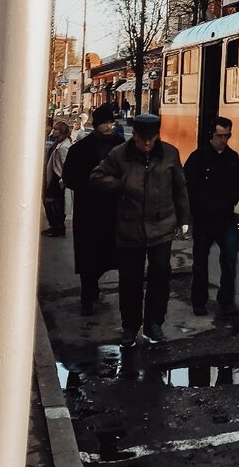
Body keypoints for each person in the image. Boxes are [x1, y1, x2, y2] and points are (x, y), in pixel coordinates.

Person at [90, 112, 190, 347]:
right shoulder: (120, 155)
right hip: (129, 228)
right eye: (142, 138)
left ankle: (154, 324)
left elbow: (180, 188)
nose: (147, 143)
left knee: (160, 276)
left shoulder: (169, 154)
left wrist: (184, 218)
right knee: (130, 280)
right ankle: (129, 327)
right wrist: (122, 184)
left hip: (162, 226)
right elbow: (96, 177)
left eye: (151, 138)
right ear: (133, 135)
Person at [62, 104, 126, 315]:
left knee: (108, 252)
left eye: (112, 122)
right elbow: (70, 177)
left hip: (112, 208)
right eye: (106, 123)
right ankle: (87, 295)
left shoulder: (119, 144)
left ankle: (92, 288)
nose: (110, 126)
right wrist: (91, 185)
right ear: (97, 124)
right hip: (89, 209)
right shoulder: (80, 149)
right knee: (89, 253)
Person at [183, 117, 239, 317]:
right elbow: (188, 186)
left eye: (227, 135)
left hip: (226, 217)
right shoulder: (198, 158)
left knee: (229, 259)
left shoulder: (232, 157)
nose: (224, 140)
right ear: (211, 135)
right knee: (200, 262)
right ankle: (199, 302)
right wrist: (196, 209)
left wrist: (234, 197)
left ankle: (226, 300)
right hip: (204, 219)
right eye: (220, 136)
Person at [43, 120, 72, 237]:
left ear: (62, 132)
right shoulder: (58, 143)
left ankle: (58, 227)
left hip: (58, 178)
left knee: (53, 202)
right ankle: (54, 226)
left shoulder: (64, 146)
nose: (53, 131)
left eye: (56, 129)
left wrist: (63, 179)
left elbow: (66, 164)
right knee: (52, 202)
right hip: (54, 176)